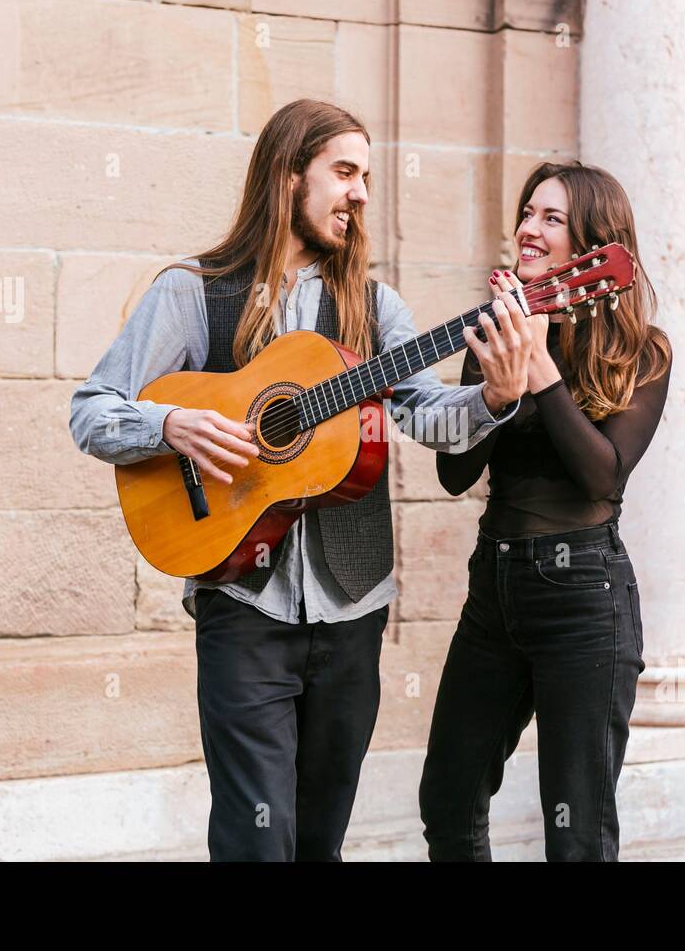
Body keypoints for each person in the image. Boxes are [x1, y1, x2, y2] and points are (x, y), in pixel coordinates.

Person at [69, 99, 534, 861]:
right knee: (259, 842)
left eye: (367, 179)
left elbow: (425, 420)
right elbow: (93, 411)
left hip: (352, 612)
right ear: (288, 177)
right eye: (344, 172)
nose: (360, 194)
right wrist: (168, 426)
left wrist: (493, 399)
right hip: (242, 604)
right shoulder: (193, 292)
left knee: (318, 843)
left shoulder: (373, 308)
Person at [418, 161, 673, 861]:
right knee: (447, 799)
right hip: (494, 592)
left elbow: (604, 477)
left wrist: (542, 373)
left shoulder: (642, 353)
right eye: (528, 213)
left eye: (551, 218)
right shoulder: (493, 333)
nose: (529, 229)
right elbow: (453, 474)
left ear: (593, 242)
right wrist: (493, 398)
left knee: (576, 832)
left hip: (584, 600)